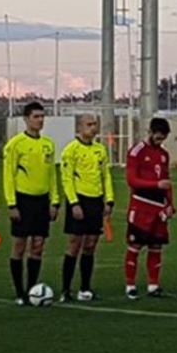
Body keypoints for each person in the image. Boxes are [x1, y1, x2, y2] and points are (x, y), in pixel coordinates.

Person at [3, 102, 59, 305]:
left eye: (42, 116)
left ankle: (32, 290)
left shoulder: (48, 144)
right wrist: (12, 204)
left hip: (42, 201)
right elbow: (8, 176)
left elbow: (52, 174)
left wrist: (54, 201)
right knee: (19, 245)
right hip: (23, 200)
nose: (40, 120)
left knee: (38, 246)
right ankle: (19, 292)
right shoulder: (15, 144)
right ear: (26, 119)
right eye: (36, 116)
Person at [59, 114, 114, 302]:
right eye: (89, 124)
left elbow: (106, 175)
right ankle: (66, 290)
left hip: (96, 200)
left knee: (91, 245)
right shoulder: (71, 150)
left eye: (95, 124)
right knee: (74, 244)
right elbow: (66, 179)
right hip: (79, 200)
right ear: (80, 127)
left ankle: (85, 288)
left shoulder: (100, 150)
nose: (93, 128)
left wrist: (109, 200)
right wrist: (74, 203)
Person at [124, 117, 175, 300]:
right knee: (135, 245)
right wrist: (155, 184)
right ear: (150, 132)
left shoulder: (164, 154)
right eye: (158, 137)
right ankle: (130, 285)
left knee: (156, 246)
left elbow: (167, 181)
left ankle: (153, 285)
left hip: (158, 208)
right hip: (141, 205)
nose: (160, 141)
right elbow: (131, 180)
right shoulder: (137, 151)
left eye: (163, 138)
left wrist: (170, 204)